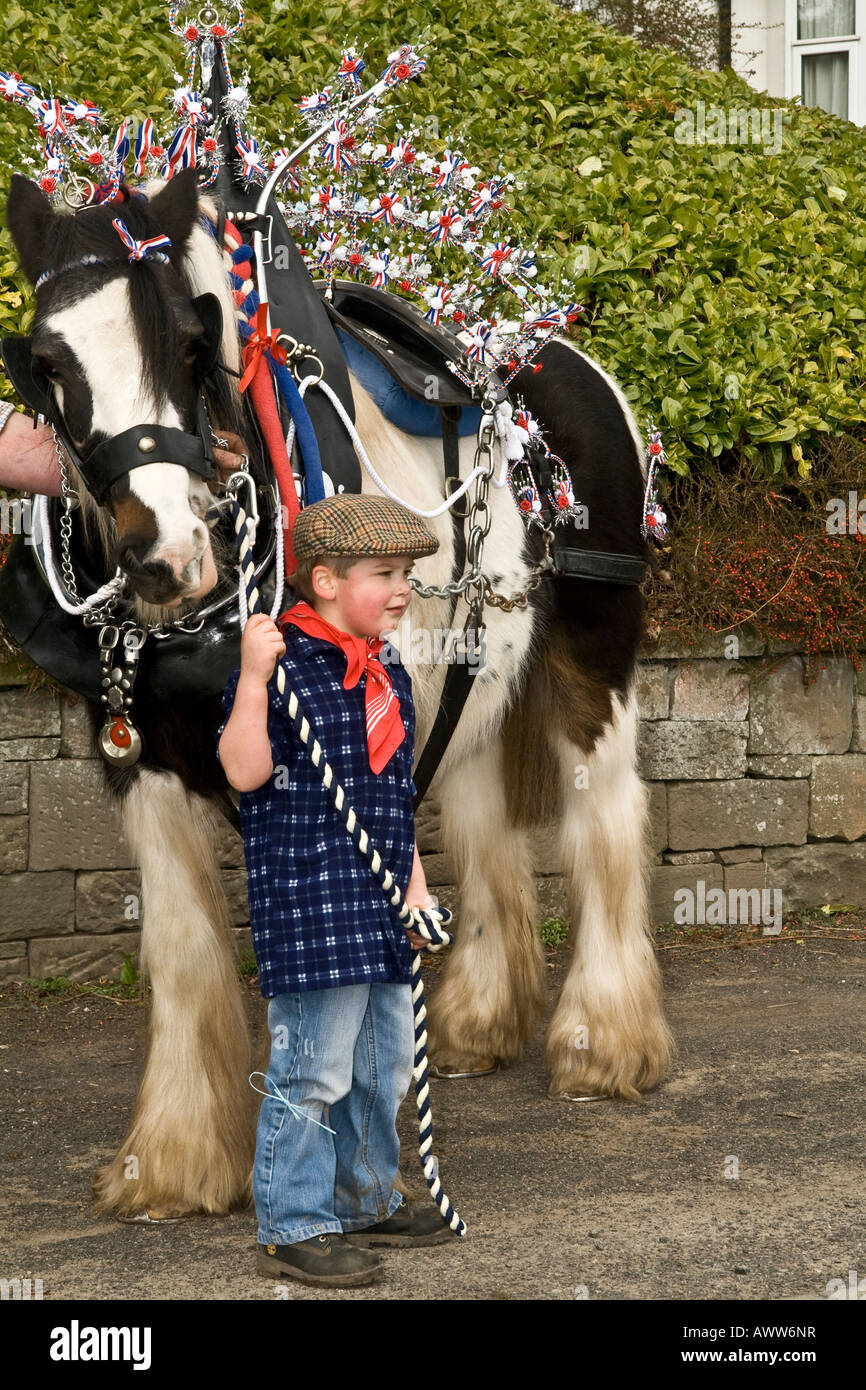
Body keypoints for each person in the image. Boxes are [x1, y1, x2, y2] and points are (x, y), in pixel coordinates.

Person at [216, 492, 457, 1289]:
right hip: (313, 905)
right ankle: (292, 1223)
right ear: (322, 580)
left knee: (383, 1066)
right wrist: (252, 679)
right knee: (313, 1070)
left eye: (407, 575)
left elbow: (393, 802)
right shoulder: (278, 665)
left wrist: (416, 891)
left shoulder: (386, 667)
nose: (401, 589)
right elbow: (245, 773)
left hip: (381, 906)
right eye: (384, 573)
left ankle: (365, 1197)